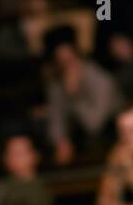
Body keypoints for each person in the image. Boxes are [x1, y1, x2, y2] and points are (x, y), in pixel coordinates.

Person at [44, 26, 122, 166]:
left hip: (109, 133)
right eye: (62, 63)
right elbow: (56, 118)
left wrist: (74, 95)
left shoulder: (101, 79)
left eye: (70, 60)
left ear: (78, 56)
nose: (68, 67)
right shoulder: (57, 84)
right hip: (81, 136)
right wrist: (61, 140)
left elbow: (94, 125)